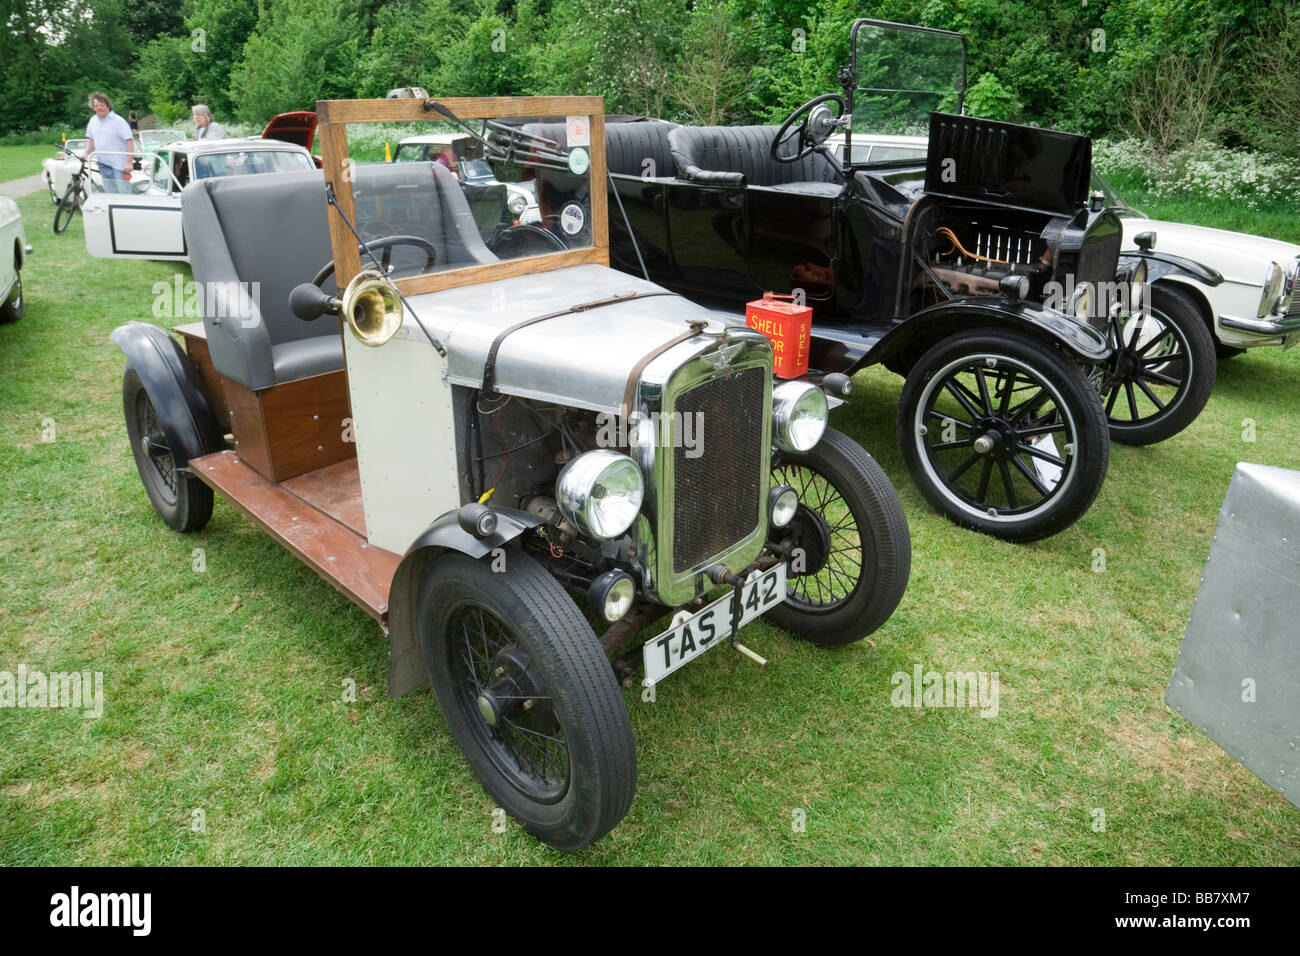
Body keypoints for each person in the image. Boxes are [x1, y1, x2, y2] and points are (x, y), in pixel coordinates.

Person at [84, 92, 135, 195]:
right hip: (103, 164)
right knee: (110, 194)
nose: (99, 108)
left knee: (124, 193)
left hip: (119, 165)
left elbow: (129, 141)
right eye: (96, 105)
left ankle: (127, 211)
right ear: (93, 107)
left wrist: (129, 162)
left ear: (108, 106)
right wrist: (86, 153)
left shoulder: (118, 121)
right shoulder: (93, 121)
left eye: (102, 105)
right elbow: (91, 140)